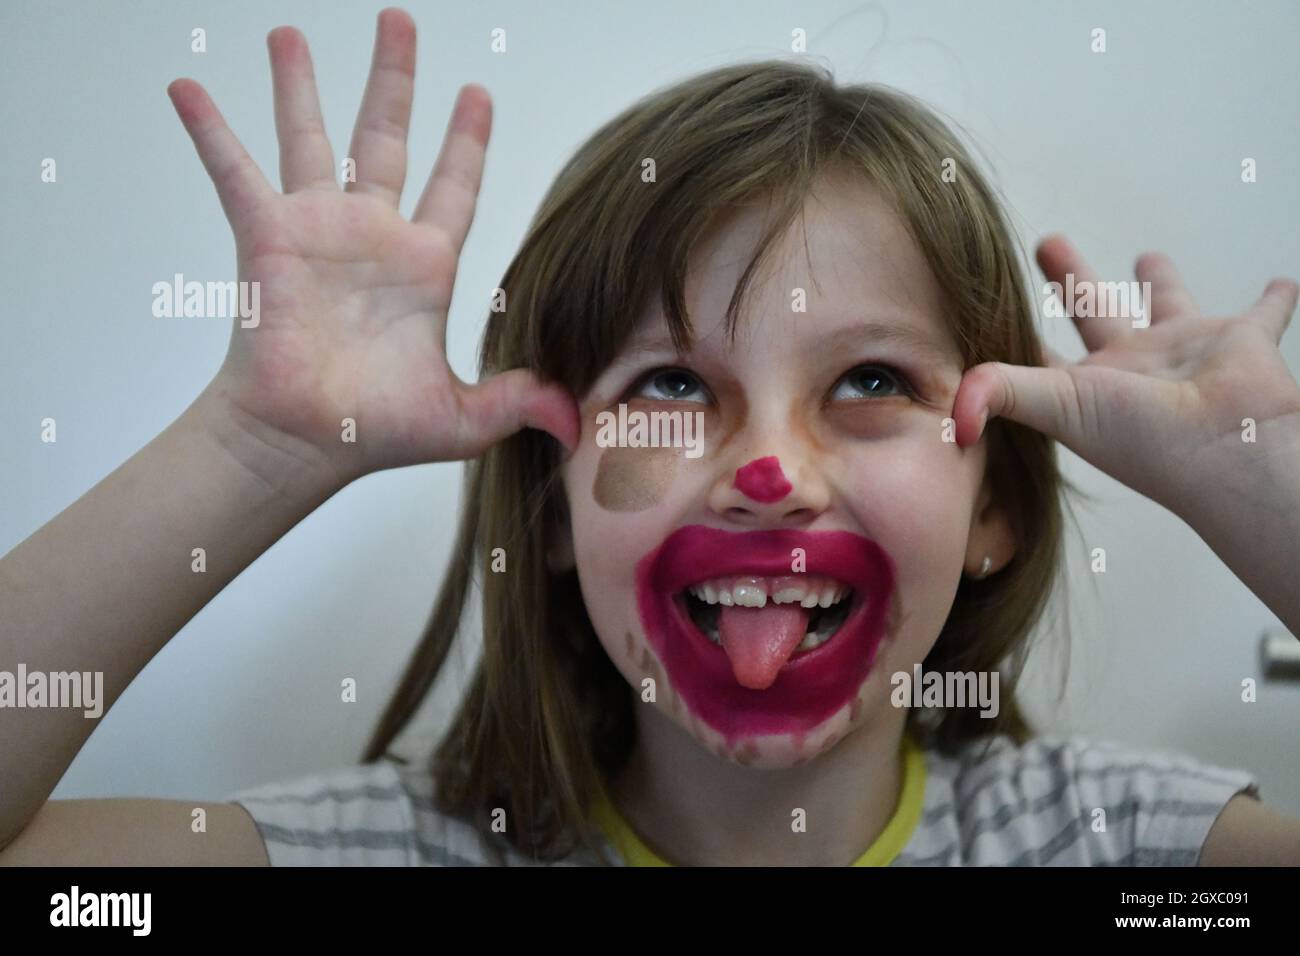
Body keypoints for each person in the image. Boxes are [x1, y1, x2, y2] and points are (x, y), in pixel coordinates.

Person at [3, 8, 1298, 866]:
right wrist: (252, 451)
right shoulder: (391, 855)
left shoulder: (1127, 854)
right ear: (555, 505)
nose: (765, 473)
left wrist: (1264, 500)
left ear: (995, 508)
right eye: (675, 388)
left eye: (869, 379)